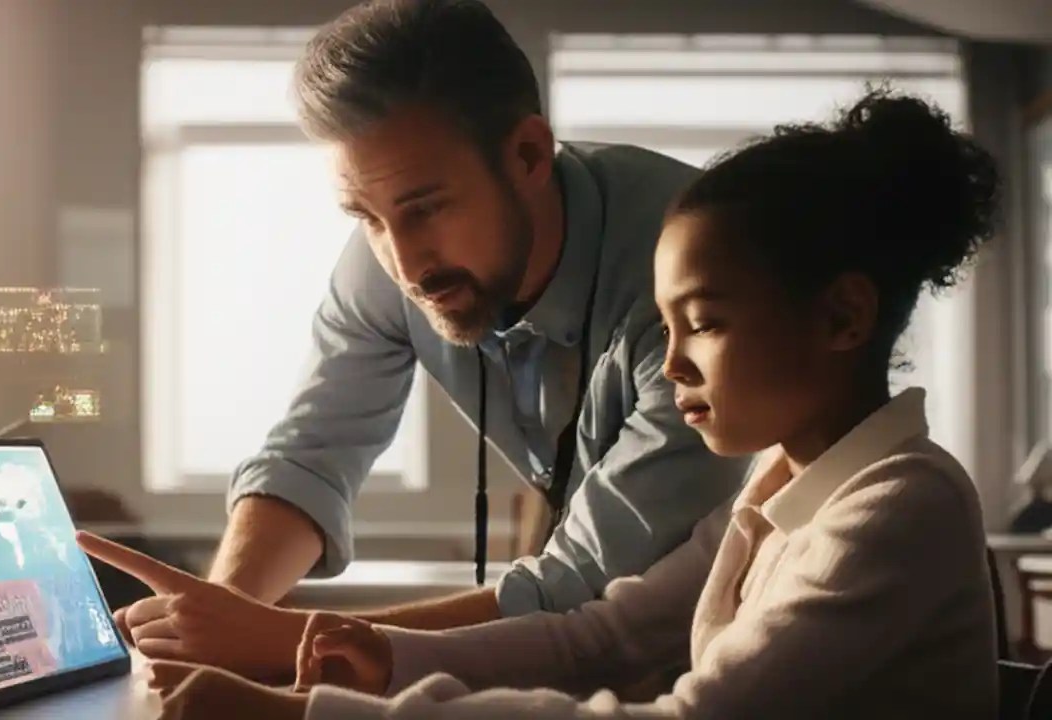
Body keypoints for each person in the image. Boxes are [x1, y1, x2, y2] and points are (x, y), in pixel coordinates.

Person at [147, 88, 1003, 719]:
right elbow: (603, 636)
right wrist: (384, 656)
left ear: (843, 317)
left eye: (703, 324)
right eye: (666, 325)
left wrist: (311, 714)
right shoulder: (779, 492)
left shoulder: (900, 506)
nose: (672, 364)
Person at [76, 0, 748, 681]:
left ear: (528, 155)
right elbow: (311, 458)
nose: (405, 264)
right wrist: (218, 617)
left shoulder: (693, 278)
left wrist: (281, 642)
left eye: (427, 208)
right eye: (366, 217)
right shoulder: (390, 259)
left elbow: (582, 581)